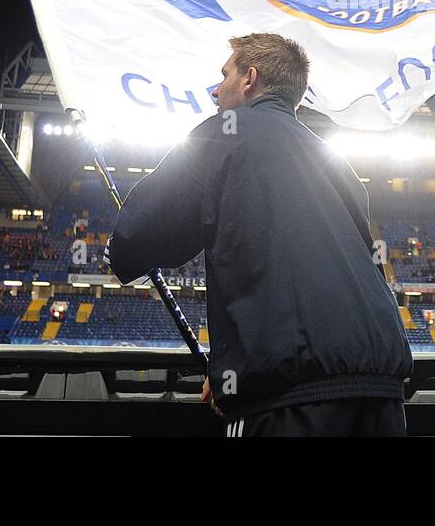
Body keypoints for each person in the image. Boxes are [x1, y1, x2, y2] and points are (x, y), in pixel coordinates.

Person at [109, 33, 412, 436]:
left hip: (292, 402)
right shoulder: (336, 163)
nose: (216, 91)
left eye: (224, 75)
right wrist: (237, 368)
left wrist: (251, 373)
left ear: (249, 78)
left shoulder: (225, 133)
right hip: (381, 395)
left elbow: (137, 237)